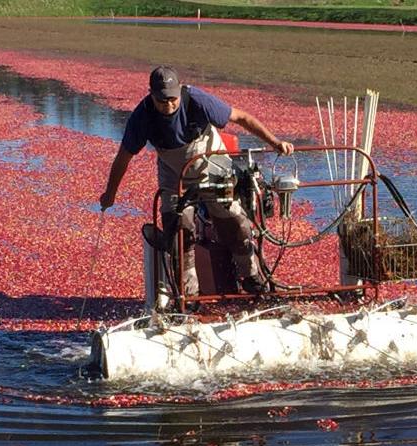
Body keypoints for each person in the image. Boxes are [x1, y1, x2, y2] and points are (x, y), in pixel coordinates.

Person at [100, 66, 294, 297]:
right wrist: (110, 194)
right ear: (151, 94)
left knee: (233, 222)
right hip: (174, 173)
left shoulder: (197, 100)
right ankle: (188, 294)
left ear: (179, 91)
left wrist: (275, 143)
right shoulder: (142, 116)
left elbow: (242, 117)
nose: (168, 105)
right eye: (162, 101)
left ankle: (251, 278)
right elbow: (124, 157)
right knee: (178, 227)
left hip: (212, 165)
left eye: (172, 99)